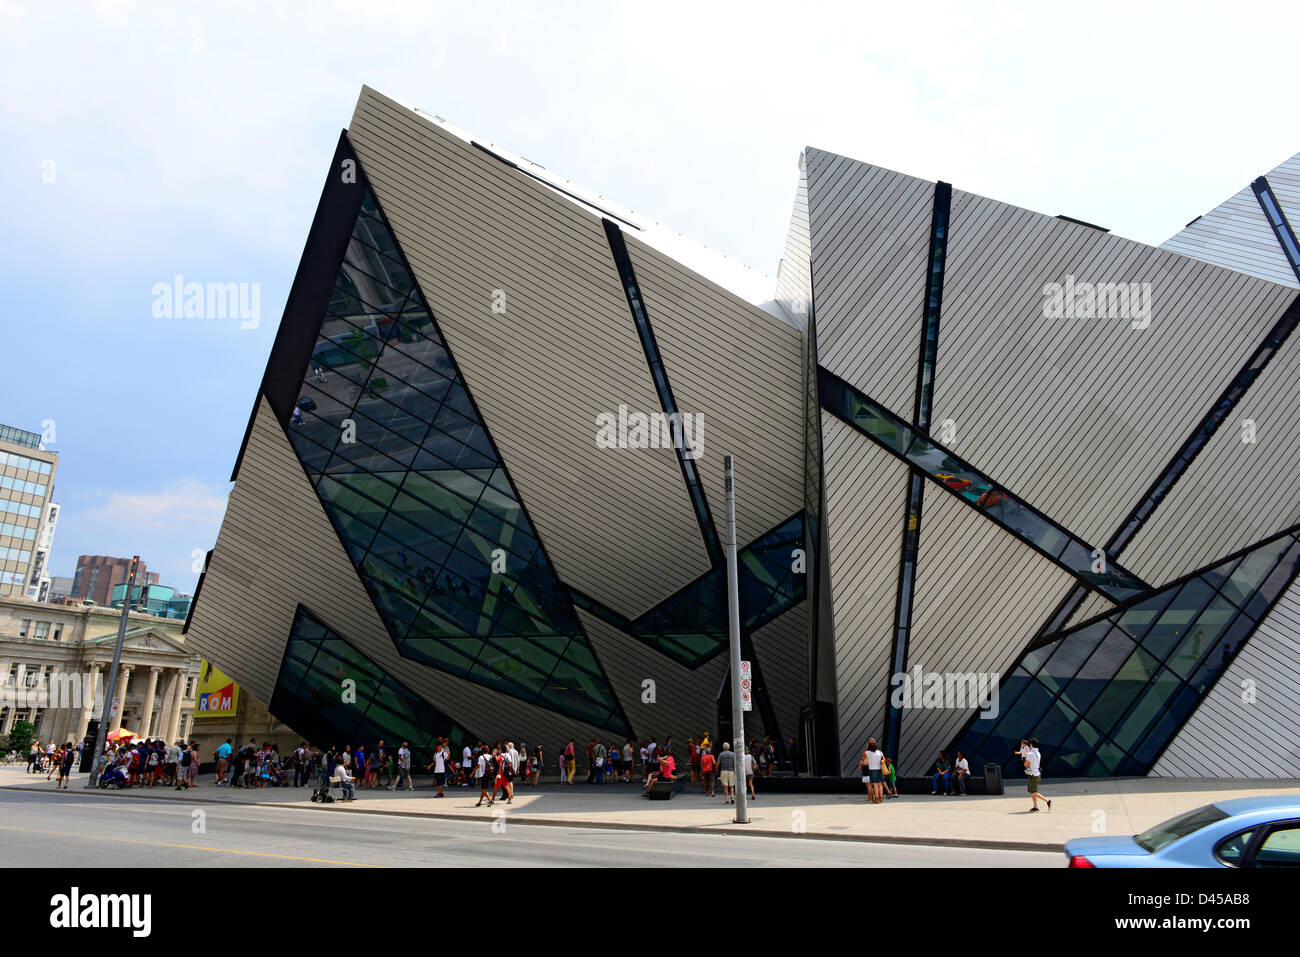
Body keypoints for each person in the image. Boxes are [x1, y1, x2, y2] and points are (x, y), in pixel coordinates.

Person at [1015, 739, 1051, 812]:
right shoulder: (1038, 753)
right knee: (1033, 791)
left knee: (1033, 791)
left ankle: (1047, 801)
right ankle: (1035, 806)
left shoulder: (1030, 753)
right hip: (1037, 773)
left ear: (1031, 745)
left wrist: (1025, 760)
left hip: (1033, 775)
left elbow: (1026, 764)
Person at [860, 739, 884, 804]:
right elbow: (883, 760)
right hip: (879, 769)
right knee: (880, 784)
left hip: (872, 770)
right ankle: (881, 798)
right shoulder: (880, 752)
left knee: (875, 785)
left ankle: (876, 799)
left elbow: (864, 759)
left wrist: (867, 747)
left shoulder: (868, 753)